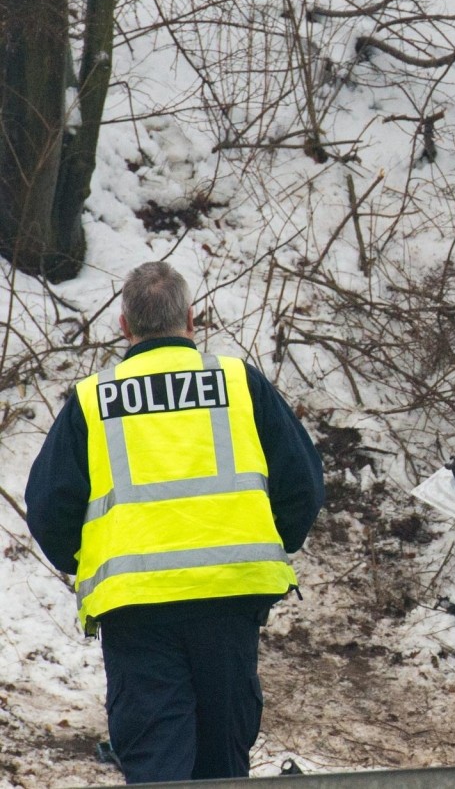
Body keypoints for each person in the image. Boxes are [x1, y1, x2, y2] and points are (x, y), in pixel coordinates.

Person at [25, 262, 324, 784]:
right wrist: (270, 542)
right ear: (191, 318)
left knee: (157, 761)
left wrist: (92, 561)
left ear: (124, 326)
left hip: (136, 610)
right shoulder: (238, 383)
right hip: (230, 599)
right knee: (222, 763)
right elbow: (302, 482)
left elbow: (49, 506)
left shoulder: (94, 400)